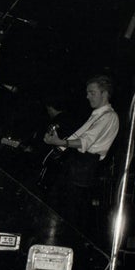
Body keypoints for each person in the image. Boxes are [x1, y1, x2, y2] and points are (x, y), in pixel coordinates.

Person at [43, 75, 120, 242]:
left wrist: (60, 142)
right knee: (60, 212)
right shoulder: (97, 115)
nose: (87, 96)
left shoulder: (109, 116)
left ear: (104, 93)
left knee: (69, 218)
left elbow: (85, 141)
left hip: (83, 168)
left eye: (92, 93)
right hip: (76, 165)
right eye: (87, 92)